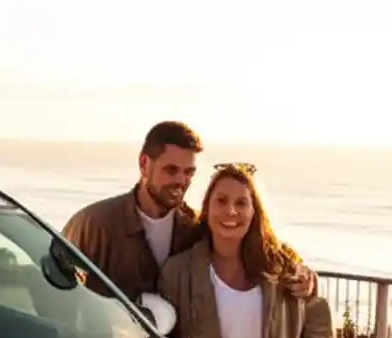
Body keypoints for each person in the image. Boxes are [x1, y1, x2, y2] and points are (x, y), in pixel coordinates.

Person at [61, 121, 316, 302]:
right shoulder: (94, 224)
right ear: (144, 164)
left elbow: (259, 244)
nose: (181, 181)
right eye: (171, 170)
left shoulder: (195, 227)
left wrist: (304, 273)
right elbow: (53, 286)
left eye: (189, 172)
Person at [157, 162, 333, 338]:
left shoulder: (282, 272)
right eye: (221, 201)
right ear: (207, 207)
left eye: (241, 203)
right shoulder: (178, 273)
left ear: (254, 212)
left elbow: (317, 329)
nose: (231, 211)